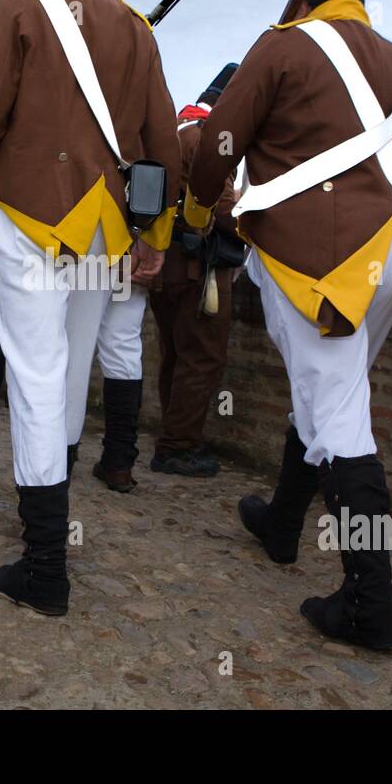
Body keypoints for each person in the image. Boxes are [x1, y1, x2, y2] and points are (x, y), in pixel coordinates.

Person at [187, 0, 392, 650]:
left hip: (320, 261)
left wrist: (195, 205)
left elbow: (218, 142)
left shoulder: (281, 45)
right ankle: (282, 523)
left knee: (339, 414)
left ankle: (372, 604)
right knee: (329, 389)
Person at [0, 0, 180, 615]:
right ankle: (51, 522)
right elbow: (162, 148)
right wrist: (159, 231)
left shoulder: (19, 6)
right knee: (70, 370)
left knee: (37, 374)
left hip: (26, 216)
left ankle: (45, 564)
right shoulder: (135, 27)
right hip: (106, 228)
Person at [148, 64, 240, 478]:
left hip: (165, 263)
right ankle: (178, 446)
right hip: (196, 267)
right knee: (202, 356)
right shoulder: (207, 137)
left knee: (175, 354)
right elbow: (222, 209)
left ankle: (174, 433)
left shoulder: (175, 127)